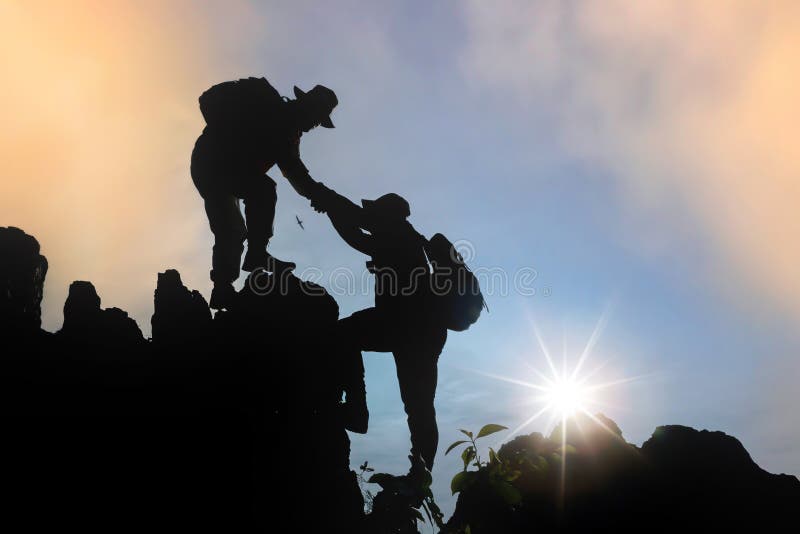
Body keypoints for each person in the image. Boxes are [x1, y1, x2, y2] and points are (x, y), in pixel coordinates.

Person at [313, 186, 448, 477]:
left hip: (405, 324)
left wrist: (328, 204)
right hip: (418, 328)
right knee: (419, 405)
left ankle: (358, 410)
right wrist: (332, 209)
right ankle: (422, 472)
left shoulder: (396, 234)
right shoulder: (405, 236)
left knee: (344, 334)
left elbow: (355, 231)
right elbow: (356, 226)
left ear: (386, 216)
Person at [190, 78, 337, 309]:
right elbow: (207, 99)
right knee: (256, 198)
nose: (313, 125)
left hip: (233, 174)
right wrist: (229, 135)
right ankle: (254, 257)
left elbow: (298, 176)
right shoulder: (261, 94)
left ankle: (225, 286)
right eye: (315, 117)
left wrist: (320, 196)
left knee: (233, 228)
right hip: (210, 163)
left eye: (318, 122)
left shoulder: (289, 139)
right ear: (305, 103)